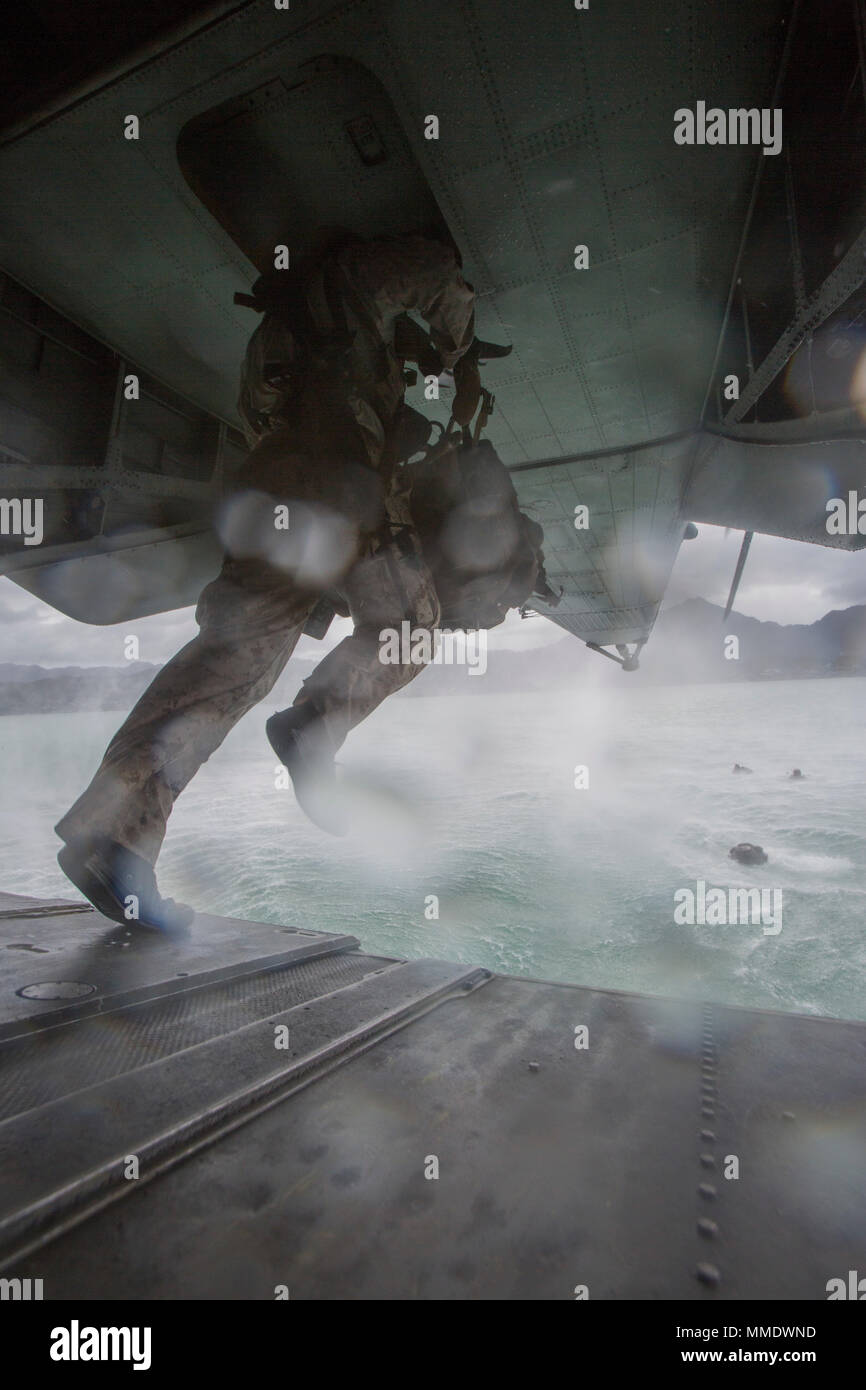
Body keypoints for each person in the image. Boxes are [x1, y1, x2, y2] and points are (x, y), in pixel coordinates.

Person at [54, 229, 478, 931]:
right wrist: (459, 357)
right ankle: (314, 725)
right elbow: (441, 277)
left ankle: (113, 835)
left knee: (230, 665)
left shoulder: (274, 348)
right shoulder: (353, 282)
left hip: (271, 495)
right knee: (410, 623)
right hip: (339, 485)